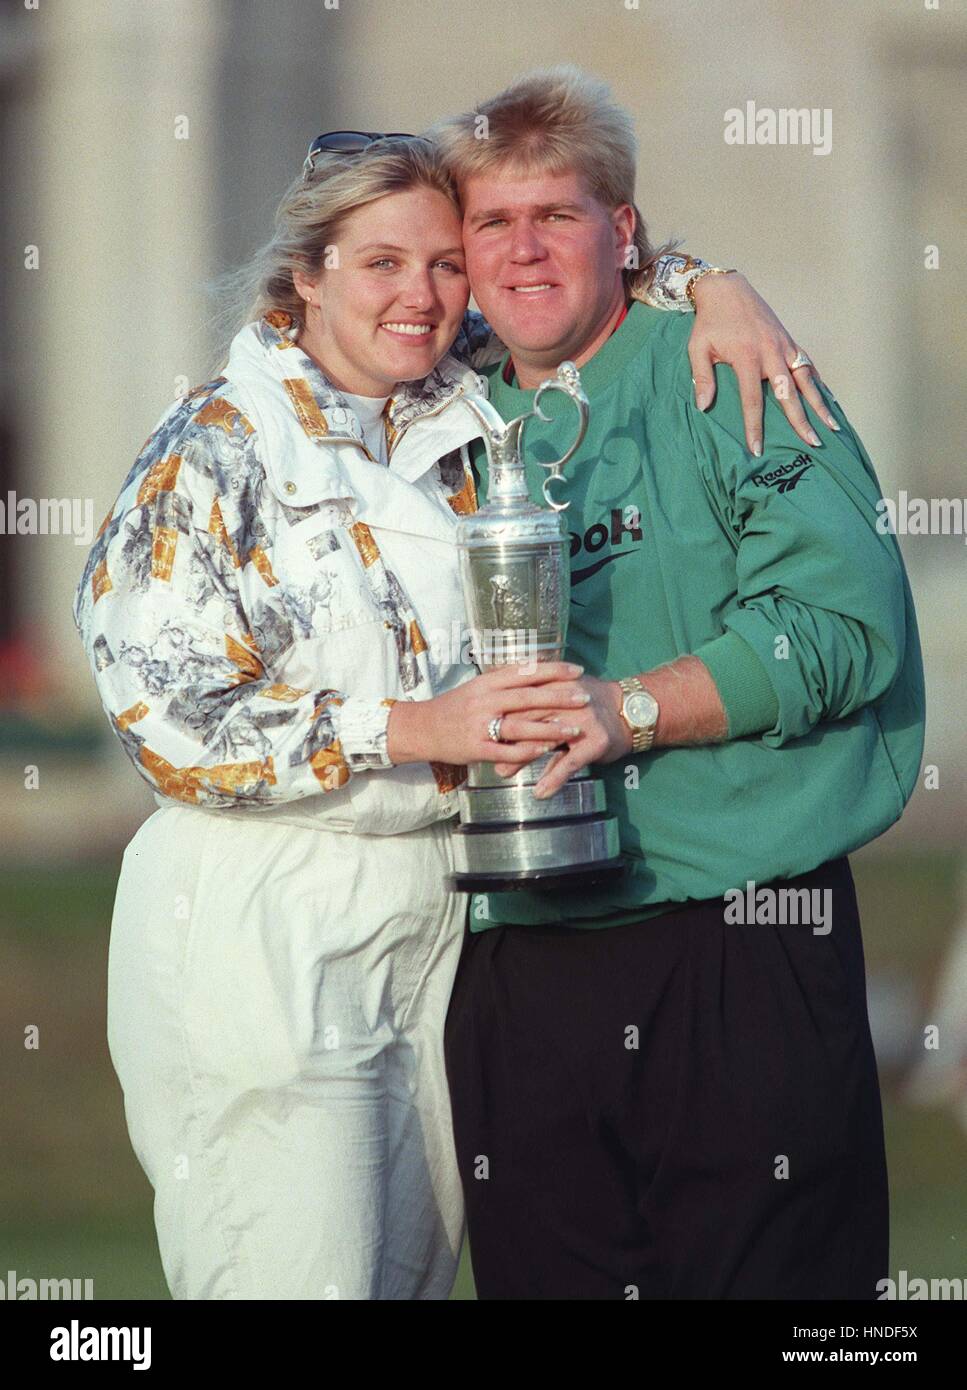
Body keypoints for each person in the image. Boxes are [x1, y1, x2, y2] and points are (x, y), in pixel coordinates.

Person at [73, 126, 820, 1300]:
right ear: (307, 273)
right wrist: (414, 729)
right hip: (263, 920)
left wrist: (709, 284)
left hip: (433, 922)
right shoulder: (214, 449)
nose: (420, 295)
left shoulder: (448, 401)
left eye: (441, 264)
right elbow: (162, 717)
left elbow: (566, 281)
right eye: (380, 263)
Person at [432, 66, 926, 1300]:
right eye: (493, 221)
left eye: (556, 215)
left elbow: (841, 625)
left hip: (733, 934)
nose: (524, 250)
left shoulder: (729, 368)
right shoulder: (430, 418)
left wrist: (629, 708)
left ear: (623, 230)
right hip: (514, 955)